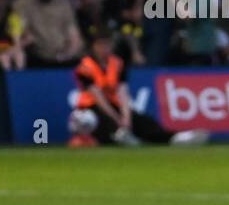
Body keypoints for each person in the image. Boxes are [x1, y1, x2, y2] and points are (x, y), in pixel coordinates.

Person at [69, 28, 208, 146]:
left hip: (114, 104)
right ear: (94, 46)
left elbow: (122, 92)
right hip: (91, 107)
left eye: (107, 44)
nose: (104, 49)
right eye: (101, 45)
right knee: (100, 121)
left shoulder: (117, 63)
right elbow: (97, 97)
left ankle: (175, 138)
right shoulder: (85, 66)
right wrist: (117, 118)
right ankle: (119, 138)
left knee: (142, 121)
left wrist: (126, 117)